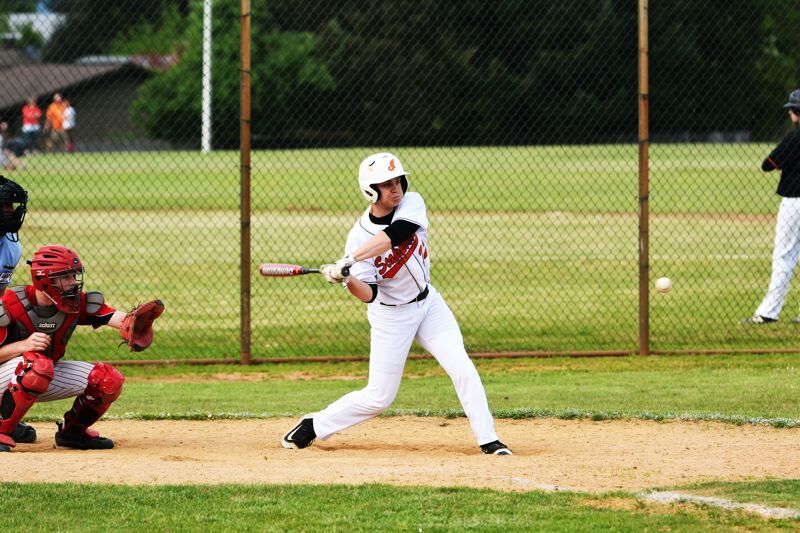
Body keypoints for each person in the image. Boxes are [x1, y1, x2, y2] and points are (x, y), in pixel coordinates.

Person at [281, 152, 512, 455]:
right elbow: (370, 294)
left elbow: (397, 234)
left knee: (463, 368)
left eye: (397, 180)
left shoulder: (411, 203)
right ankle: (315, 424)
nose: (395, 188)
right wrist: (348, 279)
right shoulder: (358, 236)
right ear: (370, 191)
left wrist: (349, 261)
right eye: (385, 184)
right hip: (391, 317)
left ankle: (488, 440)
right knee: (379, 398)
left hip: (429, 305)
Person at [0, 245, 163, 452]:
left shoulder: (76, 303)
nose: (72, 283)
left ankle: (73, 433)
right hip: (8, 374)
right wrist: (23, 345)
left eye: (74, 275)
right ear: (44, 279)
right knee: (37, 366)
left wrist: (135, 323)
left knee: (107, 380)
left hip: (38, 373)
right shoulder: (10, 304)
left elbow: (118, 319)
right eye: (64, 277)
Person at [744, 89, 800, 324]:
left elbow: (768, 164)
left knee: (784, 256)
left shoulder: (793, 137)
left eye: (791, 109)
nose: (789, 112)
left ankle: (768, 312)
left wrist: (787, 163)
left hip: (795, 202)